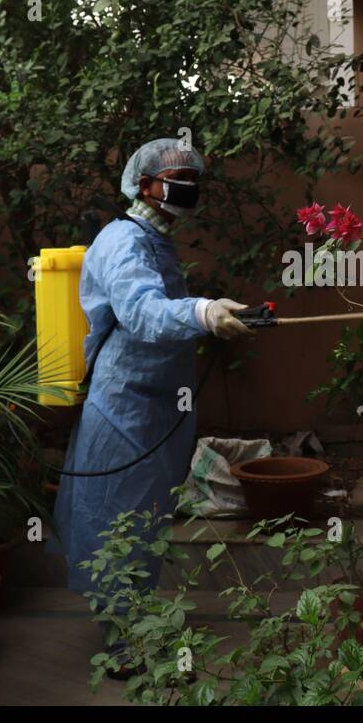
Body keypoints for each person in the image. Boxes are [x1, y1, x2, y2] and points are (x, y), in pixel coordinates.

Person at [50, 139, 250, 668]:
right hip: (124, 406)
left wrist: (206, 315)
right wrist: (202, 312)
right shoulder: (123, 239)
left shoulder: (157, 241)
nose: (188, 188)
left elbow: (165, 311)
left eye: (193, 178)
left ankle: (137, 621)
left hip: (158, 405)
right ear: (144, 185)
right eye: (177, 178)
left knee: (146, 518)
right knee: (115, 517)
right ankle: (123, 645)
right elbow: (140, 312)